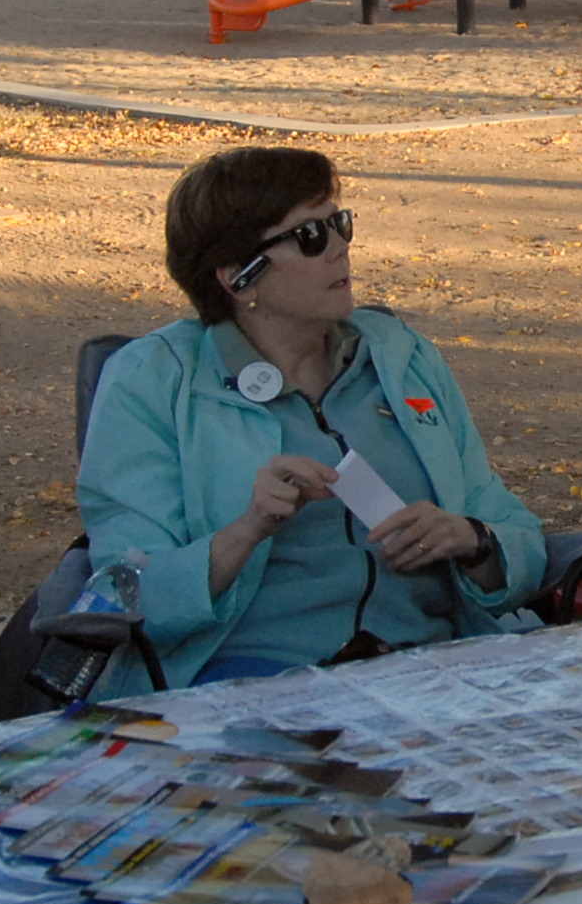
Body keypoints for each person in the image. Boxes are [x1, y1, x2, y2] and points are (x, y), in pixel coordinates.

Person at [77, 146, 544, 688]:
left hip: (431, 670)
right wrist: (249, 530)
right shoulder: (154, 381)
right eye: (311, 236)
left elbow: (519, 536)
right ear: (238, 278)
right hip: (253, 683)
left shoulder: (401, 358)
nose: (341, 247)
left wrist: (473, 539)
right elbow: (126, 594)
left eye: (339, 223)